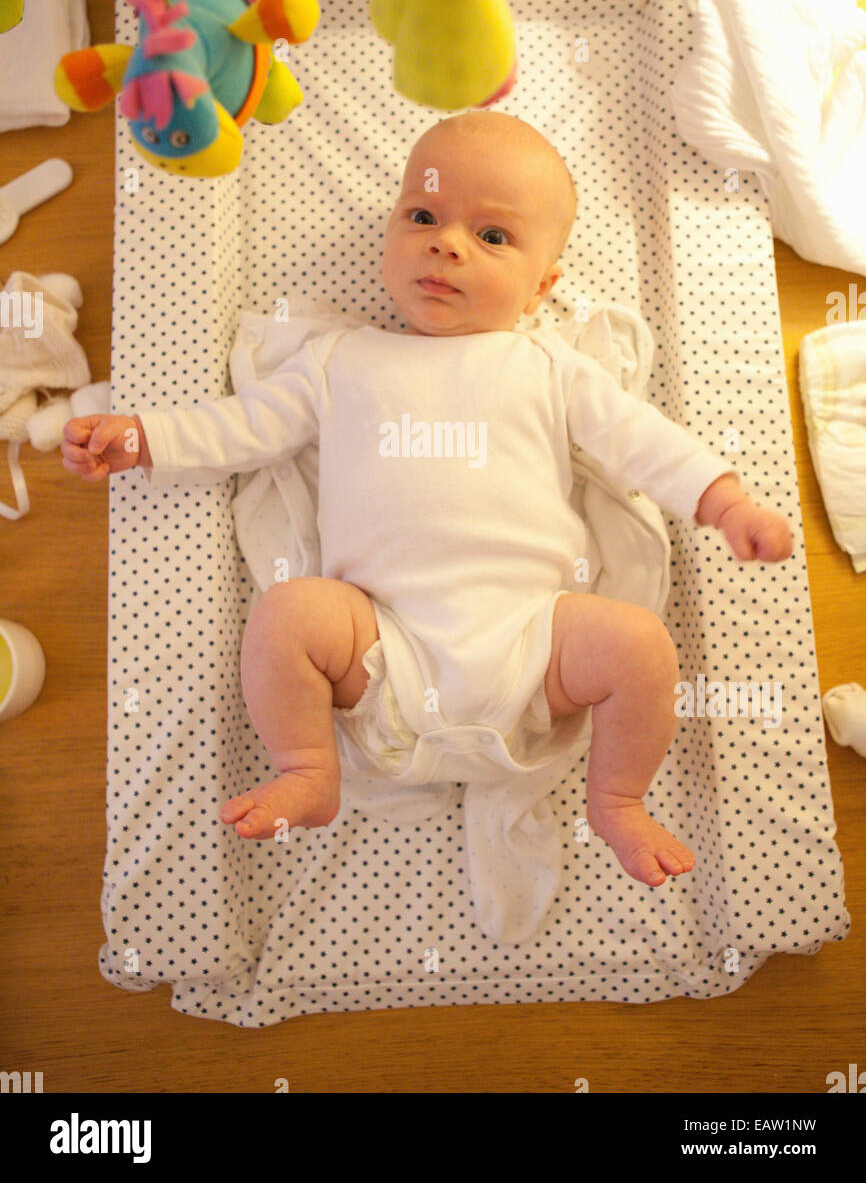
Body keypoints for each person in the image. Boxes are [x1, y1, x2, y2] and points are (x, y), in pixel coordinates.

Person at [61, 110, 793, 887]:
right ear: (390, 233)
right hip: (381, 644)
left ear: (542, 287)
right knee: (288, 615)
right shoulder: (338, 359)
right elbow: (243, 429)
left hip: (534, 643)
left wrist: (724, 502)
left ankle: (617, 799)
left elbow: (643, 441)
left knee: (640, 646)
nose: (447, 243)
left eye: (494, 237)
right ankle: (308, 768)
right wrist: (146, 440)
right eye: (423, 216)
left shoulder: (545, 365)